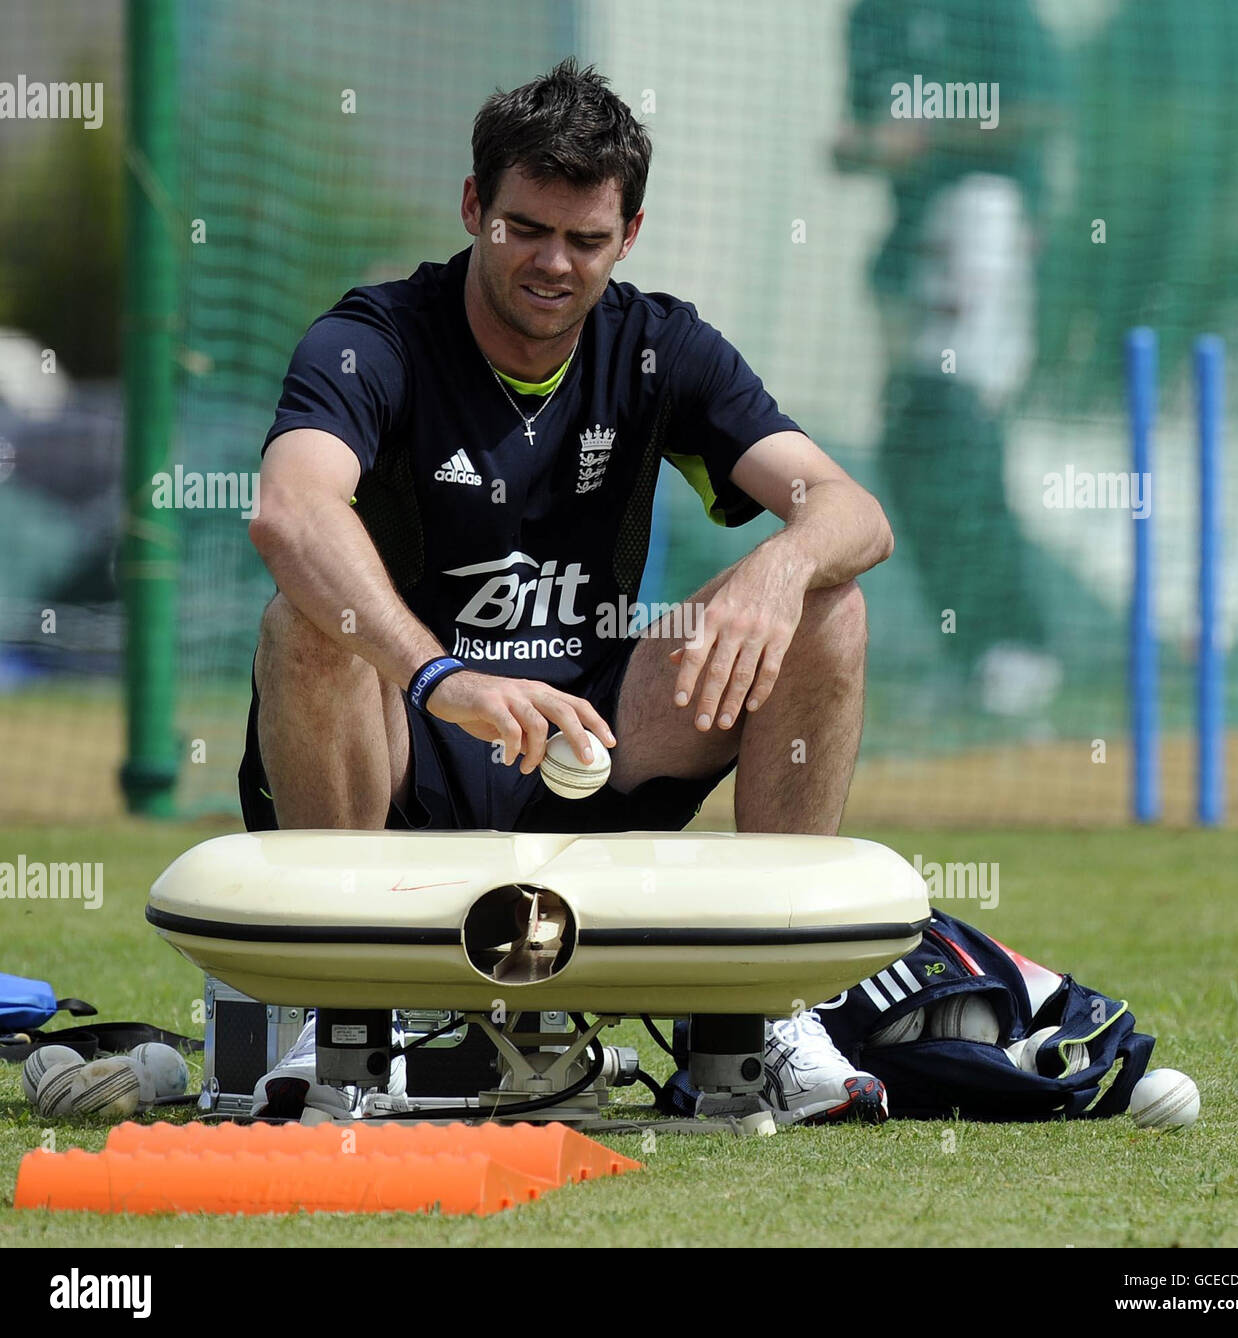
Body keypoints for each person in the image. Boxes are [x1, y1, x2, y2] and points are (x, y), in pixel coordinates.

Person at [242, 60, 893, 1125]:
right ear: (472, 209)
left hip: (592, 742)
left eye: (585, 240)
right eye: (523, 229)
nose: (553, 262)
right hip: (403, 748)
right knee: (305, 622)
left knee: (829, 599)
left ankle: (771, 1013)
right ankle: (343, 1015)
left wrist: (777, 572)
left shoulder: (658, 347)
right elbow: (289, 512)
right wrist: (439, 676)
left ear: (627, 235)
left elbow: (853, 511)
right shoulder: (373, 340)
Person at [832, 1, 1063, 717]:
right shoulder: (872, 17)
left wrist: (930, 139)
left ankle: (1018, 644)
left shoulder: (995, 12)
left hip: (983, 218)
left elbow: (1040, 112)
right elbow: (860, 134)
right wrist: (866, 146)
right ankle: (968, 650)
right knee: (908, 442)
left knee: (961, 429)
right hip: (910, 241)